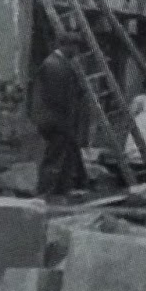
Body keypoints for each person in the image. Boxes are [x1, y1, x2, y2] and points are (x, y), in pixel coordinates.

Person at [31, 33, 88, 197]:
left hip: (59, 121)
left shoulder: (58, 63)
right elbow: (58, 98)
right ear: (68, 46)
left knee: (64, 159)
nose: (77, 51)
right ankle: (44, 195)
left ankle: (60, 194)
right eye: (75, 47)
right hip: (56, 121)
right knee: (54, 159)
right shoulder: (54, 65)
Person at [123, 82, 146, 168]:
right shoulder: (139, 98)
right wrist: (137, 111)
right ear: (145, 88)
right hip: (141, 118)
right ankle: (135, 153)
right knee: (139, 132)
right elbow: (133, 110)